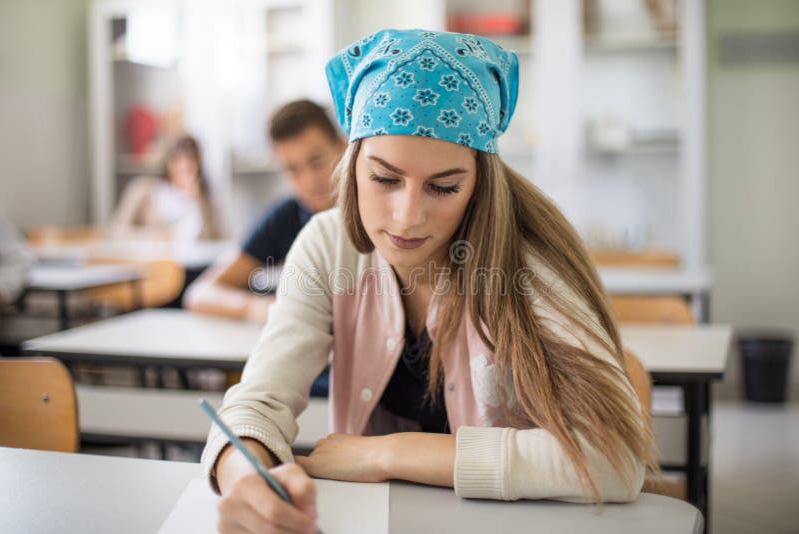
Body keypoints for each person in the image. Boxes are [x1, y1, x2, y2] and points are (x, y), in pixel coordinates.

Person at [203, 29, 657, 534]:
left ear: (480, 182)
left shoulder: (530, 263)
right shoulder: (326, 244)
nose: (406, 217)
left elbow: (614, 456)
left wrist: (388, 455)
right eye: (384, 179)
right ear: (352, 164)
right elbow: (259, 402)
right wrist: (243, 475)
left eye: (444, 187)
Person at [184, 100, 346, 323]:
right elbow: (200, 293)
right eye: (293, 169)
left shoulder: (375, 212)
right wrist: (262, 308)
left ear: (343, 146)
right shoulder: (286, 217)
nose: (308, 180)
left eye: (316, 162)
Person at [110, 135, 219, 241]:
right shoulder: (144, 190)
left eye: (190, 164)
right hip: (154, 258)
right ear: (168, 163)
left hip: (191, 258)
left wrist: (198, 201)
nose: (183, 167)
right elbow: (116, 231)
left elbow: (217, 238)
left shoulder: (204, 199)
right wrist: (149, 236)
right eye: (178, 161)